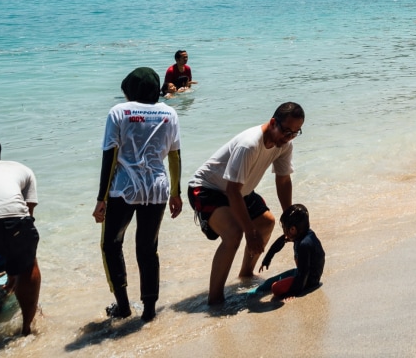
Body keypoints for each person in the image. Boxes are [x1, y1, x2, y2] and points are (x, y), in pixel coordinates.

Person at [187, 102, 303, 305]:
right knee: (234, 234)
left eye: (295, 133)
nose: (288, 138)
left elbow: (283, 180)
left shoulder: (285, 145)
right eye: (286, 131)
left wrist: (290, 220)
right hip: (207, 189)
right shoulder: (249, 145)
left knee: (267, 223)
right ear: (273, 122)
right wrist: (249, 232)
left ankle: (246, 276)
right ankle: (215, 300)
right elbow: (232, 192)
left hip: (240, 189)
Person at [95, 67, 182, 321]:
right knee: (147, 248)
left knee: (111, 244)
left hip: (124, 189)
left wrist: (101, 198)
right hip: (157, 189)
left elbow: (110, 156)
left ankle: (123, 306)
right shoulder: (170, 113)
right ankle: (150, 310)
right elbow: (175, 156)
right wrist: (176, 193)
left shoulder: (119, 112)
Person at [0, 139, 40, 336]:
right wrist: (16, 268)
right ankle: (27, 328)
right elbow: (28, 215)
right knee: (28, 261)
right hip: (14, 221)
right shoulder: (21, 169)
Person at [260, 204, 325, 299]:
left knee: (276, 288)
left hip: (309, 280)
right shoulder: (300, 234)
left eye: (284, 228)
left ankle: (251, 295)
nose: (284, 232)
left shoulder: (305, 244)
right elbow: (280, 242)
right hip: (300, 272)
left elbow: (304, 275)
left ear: (293, 229)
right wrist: (267, 260)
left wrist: (293, 293)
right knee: (268, 283)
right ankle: (251, 294)